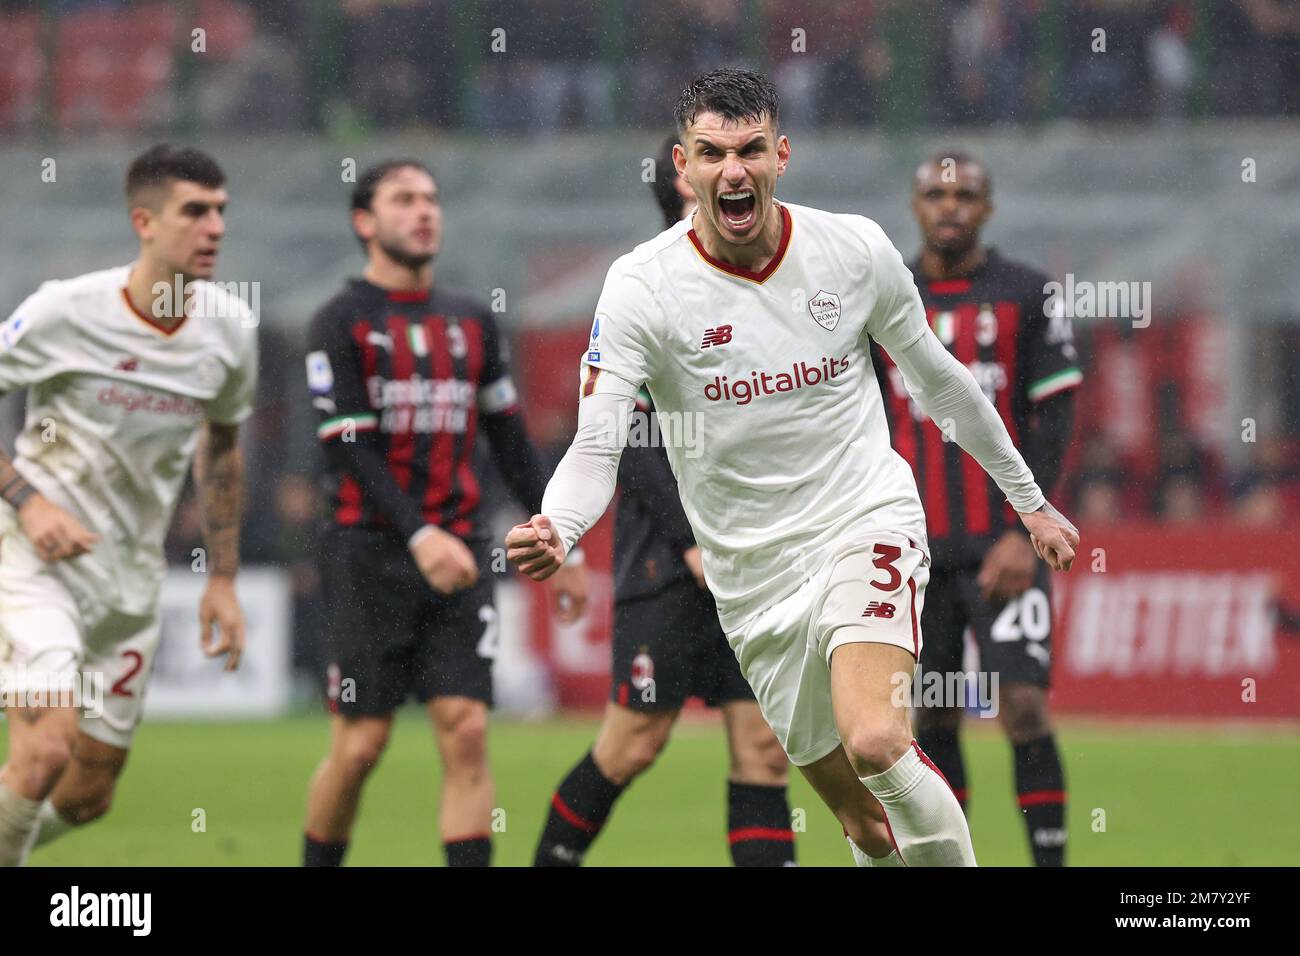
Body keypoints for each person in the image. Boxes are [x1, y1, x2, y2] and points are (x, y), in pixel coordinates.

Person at [506, 69, 1078, 867]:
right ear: (684, 167)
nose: (732, 170)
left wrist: (1030, 503)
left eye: (749, 151)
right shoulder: (641, 287)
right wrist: (557, 524)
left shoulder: (852, 251)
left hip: (861, 519)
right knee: (863, 823)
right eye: (711, 153)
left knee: (878, 740)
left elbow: (942, 382)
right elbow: (601, 442)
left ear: (781, 155)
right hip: (752, 580)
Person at [301, 159, 586, 867]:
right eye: (403, 200)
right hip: (366, 556)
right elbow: (350, 449)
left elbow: (510, 439)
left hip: (458, 557)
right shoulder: (339, 322)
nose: (423, 211)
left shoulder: (469, 321)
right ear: (365, 222)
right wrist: (417, 532)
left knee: (464, 730)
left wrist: (561, 535)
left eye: (430, 198)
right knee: (361, 744)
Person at [535, 135, 794, 867]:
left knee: (764, 748)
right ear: (678, 190)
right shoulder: (640, 289)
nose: (731, 183)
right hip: (668, 565)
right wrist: (691, 540)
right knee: (633, 743)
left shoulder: (767, 287)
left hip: (754, 556)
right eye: (708, 168)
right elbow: (630, 438)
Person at [0, 144, 257, 865]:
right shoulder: (64, 310)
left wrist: (225, 577)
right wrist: (28, 502)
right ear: (144, 221)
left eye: (221, 212)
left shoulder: (230, 330)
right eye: (195, 212)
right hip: (35, 562)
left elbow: (223, 446)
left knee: (86, 796)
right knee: (44, 750)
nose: (214, 228)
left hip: (130, 584)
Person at [873, 152, 1081, 866]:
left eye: (965, 195)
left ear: (988, 208)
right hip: (912, 555)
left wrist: (1030, 528)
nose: (950, 206)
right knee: (928, 716)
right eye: (936, 193)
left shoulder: (1027, 294)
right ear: (915, 203)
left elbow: (1054, 419)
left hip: (1003, 542)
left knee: (1022, 707)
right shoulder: (886, 295)